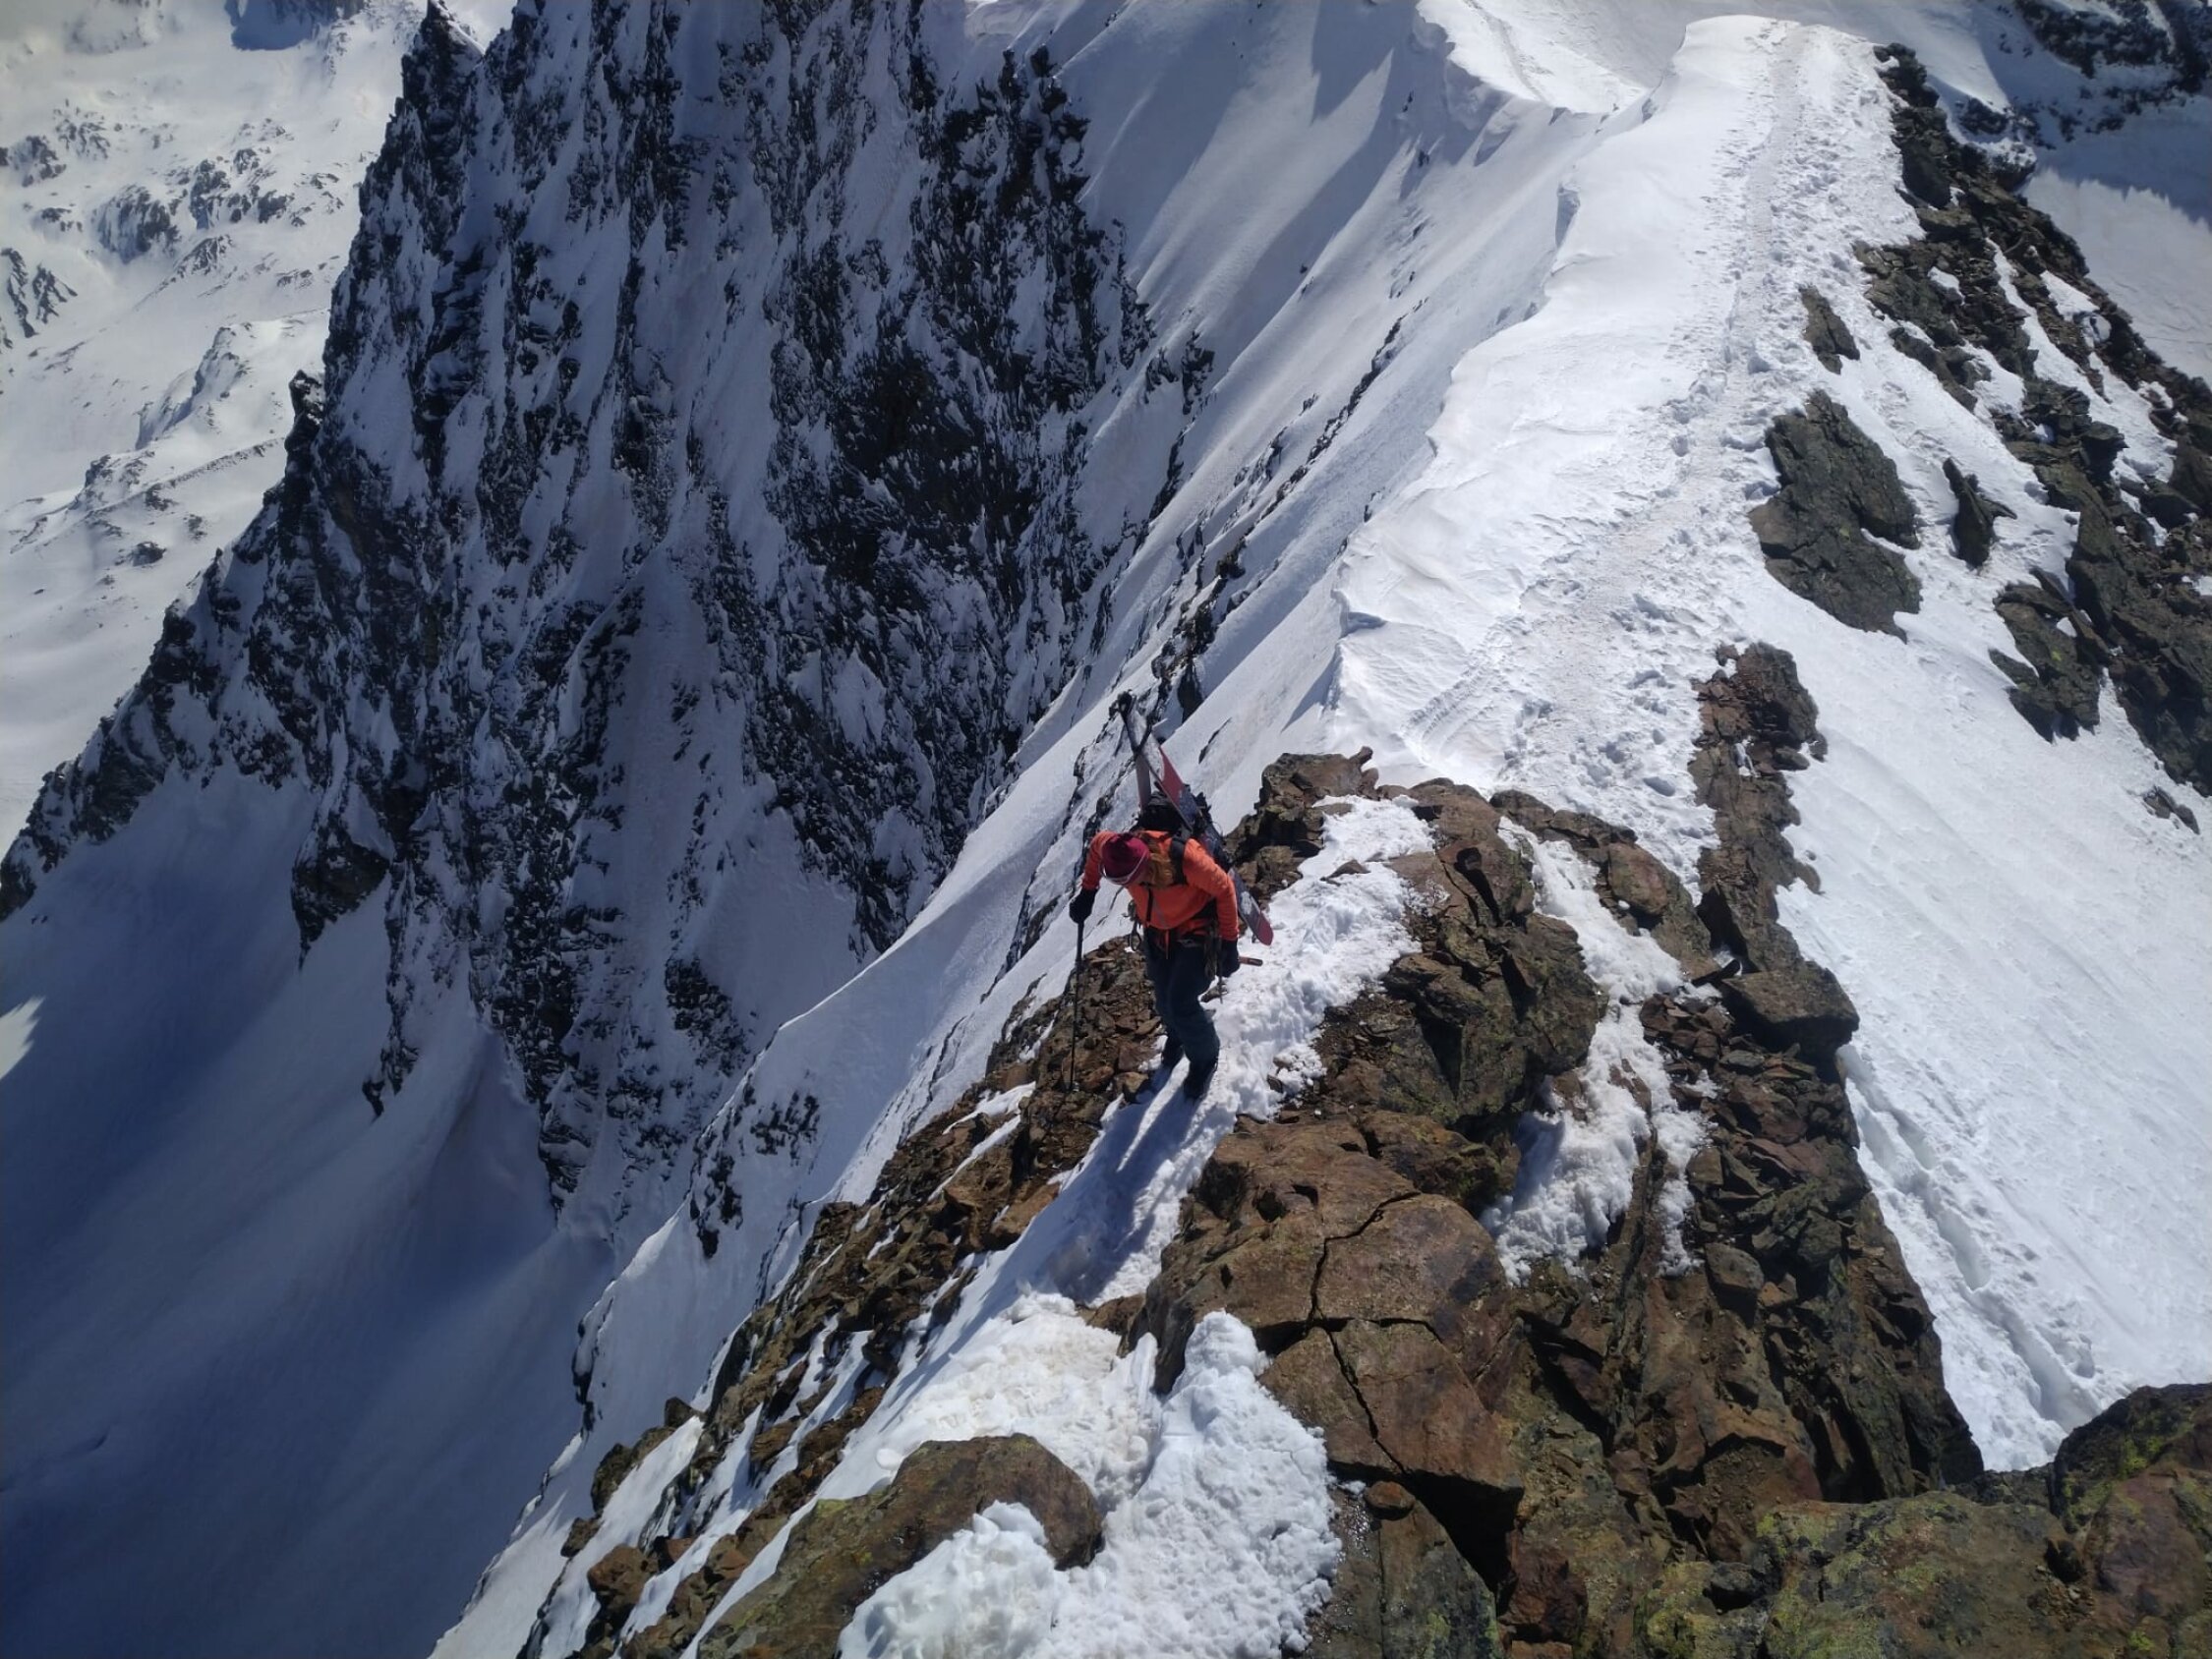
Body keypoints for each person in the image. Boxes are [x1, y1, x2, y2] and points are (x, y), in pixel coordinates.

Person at [1068, 823, 1241, 1098]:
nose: (1125, 887)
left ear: (1142, 870)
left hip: (1198, 931)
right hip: (1159, 933)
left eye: (1126, 881)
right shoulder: (1115, 847)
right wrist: (1088, 892)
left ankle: (1205, 1058)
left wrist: (1229, 944)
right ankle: (1179, 1036)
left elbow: (1224, 888)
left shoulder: (1187, 861)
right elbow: (1097, 845)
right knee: (1163, 998)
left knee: (1181, 1001)